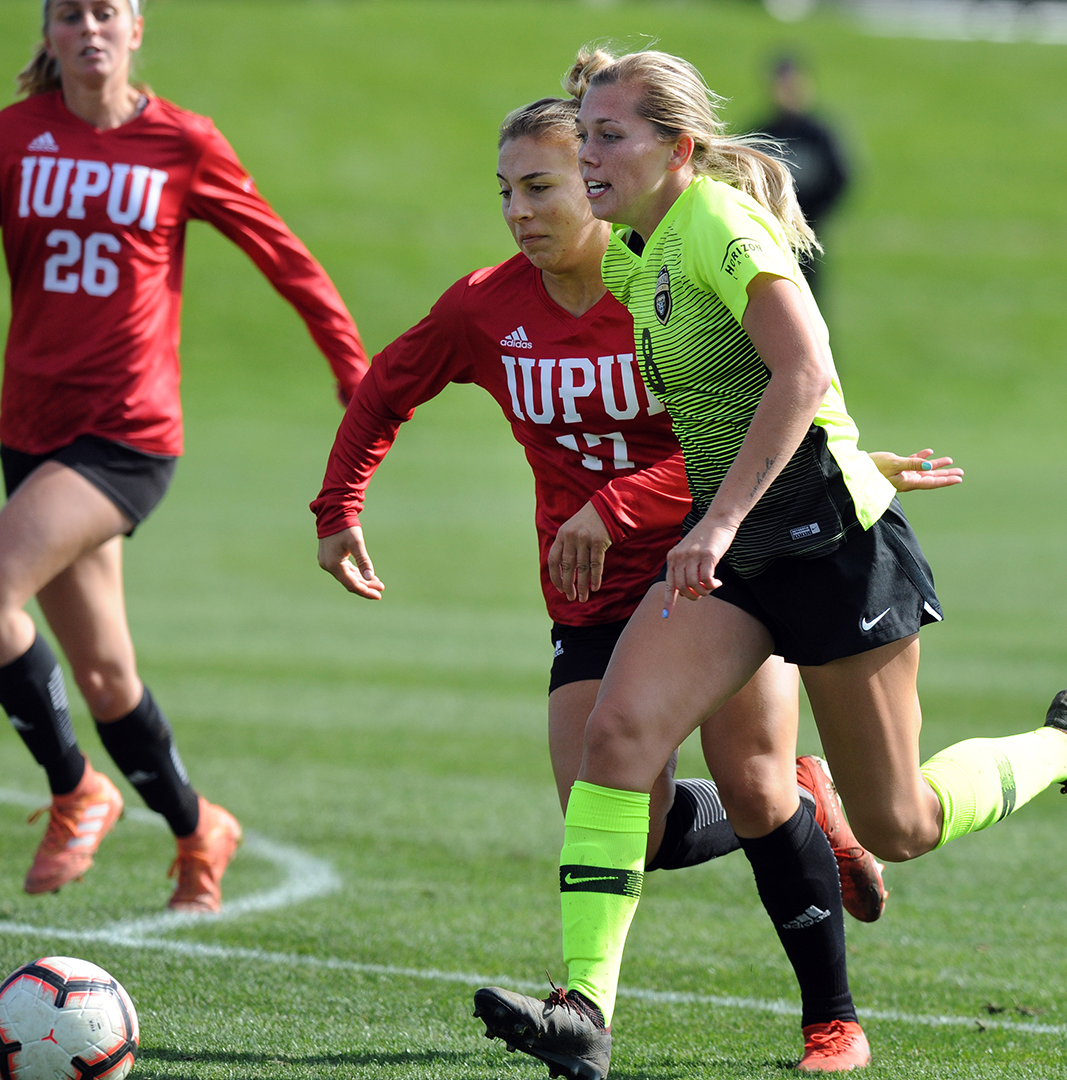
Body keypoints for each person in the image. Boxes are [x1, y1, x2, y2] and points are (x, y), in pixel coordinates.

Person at [472, 45, 1067, 1080]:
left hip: (832, 549)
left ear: (676, 149)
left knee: (899, 822)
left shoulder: (720, 226)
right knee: (619, 736)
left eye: (608, 137)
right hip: (740, 562)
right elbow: (727, 398)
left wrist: (719, 520)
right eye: (584, 136)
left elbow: (805, 371)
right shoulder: (636, 253)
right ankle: (584, 1009)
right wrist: (720, 525)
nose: (587, 155)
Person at [313, 98, 939, 1073]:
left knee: (754, 784)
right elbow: (386, 385)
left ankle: (832, 1020)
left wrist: (621, 503)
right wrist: (337, 508)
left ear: (601, 184)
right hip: (594, 597)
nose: (519, 212)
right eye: (505, 192)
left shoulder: (662, 282)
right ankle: (801, 806)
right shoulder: (485, 307)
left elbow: (762, 416)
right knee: (616, 825)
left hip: (721, 569)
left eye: (542, 186)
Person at [0, 0, 367, 912]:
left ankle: (77, 790)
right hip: (29, 430)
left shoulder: (182, 142)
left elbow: (285, 257)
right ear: (49, 34)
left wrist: (353, 369)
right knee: (106, 676)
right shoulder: (13, 136)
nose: (89, 28)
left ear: (136, 29)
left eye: (106, 12)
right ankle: (200, 829)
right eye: (69, 14)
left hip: (127, 433)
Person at [752, 54, 851, 294]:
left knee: (808, 296)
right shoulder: (762, 133)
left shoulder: (818, 134)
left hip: (807, 232)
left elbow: (840, 177)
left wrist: (813, 215)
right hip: (768, 234)